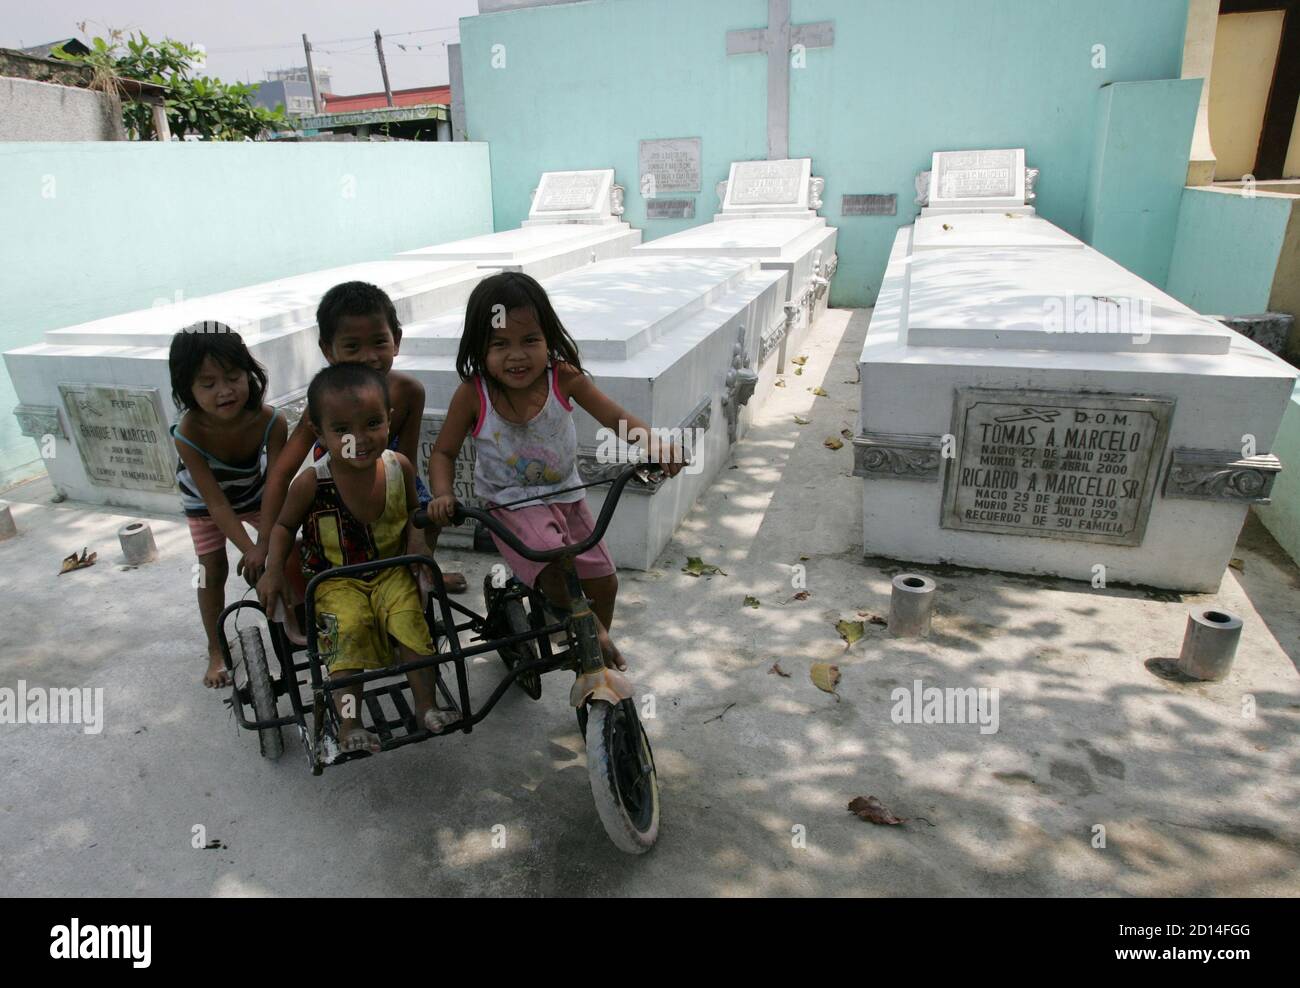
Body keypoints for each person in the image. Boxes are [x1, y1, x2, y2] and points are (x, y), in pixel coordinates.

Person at [426, 272, 685, 673]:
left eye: (529, 340)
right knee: (551, 563)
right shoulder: (473, 395)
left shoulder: (563, 378)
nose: (517, 356)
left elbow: (616, 418)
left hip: (568, 497)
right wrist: (443, 494)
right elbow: (443, 452)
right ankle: (593, 633)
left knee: (604, 581)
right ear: (479, 346)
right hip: (509, 508)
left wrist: (655, 444)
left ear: (548, 337)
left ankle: (588, 651)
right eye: (500, 344)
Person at [257, 363, 452, 752]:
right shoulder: (312, 481)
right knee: (344, 632)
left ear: (388, 420)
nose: (358, 439)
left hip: (391, 571)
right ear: (320, 433)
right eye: (342, 430)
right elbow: (282, 527)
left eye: (372, 423)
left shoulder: (399, 466)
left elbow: (416, 513)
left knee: (412, 623)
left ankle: (426, 705)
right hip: (333, 581)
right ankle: (350, 724)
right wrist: (274, 569)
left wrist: (418, 544)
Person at [257, 281, 468, 593]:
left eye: (379, 342)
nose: (369, 357)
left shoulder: (409, 392)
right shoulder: (324, 405)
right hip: (338, 481)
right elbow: (282, 472)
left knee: (424, 512)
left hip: (391, 473)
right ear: (328, 350)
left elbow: (405, 463)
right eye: (352, 347)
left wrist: (415, 507)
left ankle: (417, 569)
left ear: (396, 340)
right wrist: (263, 544)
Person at [169, 322, 287, 688]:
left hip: (256, 492)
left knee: (290, 553)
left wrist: (266, 545)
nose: (224, 391)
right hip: (205, 504)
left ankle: (300, 625)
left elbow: (276, 487)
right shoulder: (188, 433)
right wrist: (250, 549)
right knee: (210, 570)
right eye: (208, 384)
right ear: (187, 389)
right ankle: (216, 649)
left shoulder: (271, 421)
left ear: (250, 374)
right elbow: (217, 506)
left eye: (233, 376)